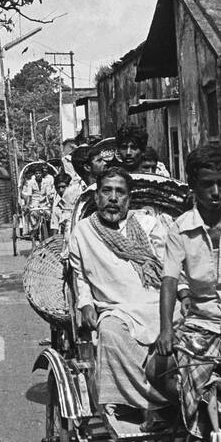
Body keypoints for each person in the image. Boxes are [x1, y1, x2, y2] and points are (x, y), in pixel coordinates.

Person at [64, 166, 175, 426]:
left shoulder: (148, 224)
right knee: (111, 333)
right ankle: (145, 404)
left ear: (129, 199)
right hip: (116, 307)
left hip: (156, 302)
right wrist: (86, 303)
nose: (113, 198)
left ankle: (177, 396)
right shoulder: (83, 231)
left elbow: (167, 266)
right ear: (97, 197)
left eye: (120, 193)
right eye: (107, 191)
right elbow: (80, 275)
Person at [157, 142, 221, 442]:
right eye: (207, 184)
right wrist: (166, 329)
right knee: (172, 369)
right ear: (193, 185)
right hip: (200, 322)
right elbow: (169, 280)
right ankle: (194, 425)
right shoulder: (180, 229)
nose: (216, 192)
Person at [50, 173, 74, 239]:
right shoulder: (56, 207)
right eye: (58, 188)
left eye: (63, 187)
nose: (61, 190)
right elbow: (55, 227)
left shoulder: (78, 203)